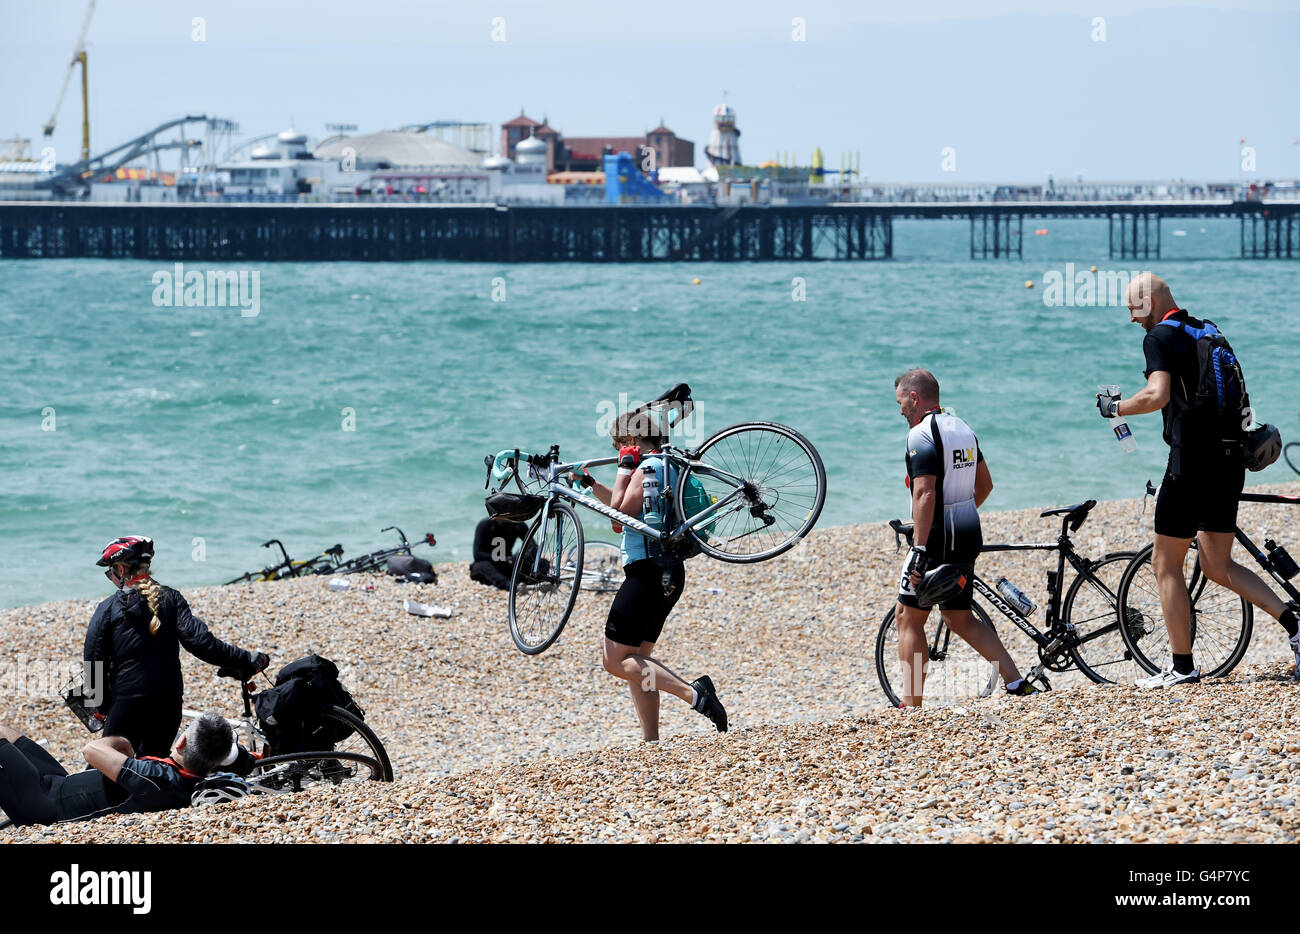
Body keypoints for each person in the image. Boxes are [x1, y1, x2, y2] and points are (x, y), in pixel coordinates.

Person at [1098, 273, 1299, 687]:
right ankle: (1294, 623)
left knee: (1164, 563)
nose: (1132, 319)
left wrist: (1116, 407)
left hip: (1191, 463)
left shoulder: (1160, 337)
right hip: (1230, 460)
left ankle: (1182, 667)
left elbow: (1157, 396)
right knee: (1217, 563)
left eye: (1133, 309)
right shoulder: (1208, 329)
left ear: (1149, 300)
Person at [569, 408, 727, 740]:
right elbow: (628, 506)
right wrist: (591, 484)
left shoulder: (648, 466)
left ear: (630, 441)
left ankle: (695, 694)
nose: (618, 455)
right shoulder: (666, 465)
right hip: (668, 572)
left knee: (615, 661)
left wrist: (624, 468)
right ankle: (651, 740)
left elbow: (621, 517)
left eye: (619, 448)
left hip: (647, 572)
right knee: (638, 661)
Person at [893, 369, 1033, 706]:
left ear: (914, 397)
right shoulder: (963, 428)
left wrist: (920, 547)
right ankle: (1016, 683)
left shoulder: (920, 435)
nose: (899, 411)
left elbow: (924, 493)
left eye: (900, 402)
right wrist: (961, 512)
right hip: (968, 535)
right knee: (959, 616)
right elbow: (984, 486)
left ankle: (911, 706)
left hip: (936, 539)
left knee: (908, 616)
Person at [85, 536, 268, 757]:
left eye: (110, 573)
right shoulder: (171, 598)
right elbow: (201, 643)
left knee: (113, 771)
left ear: (121, 569)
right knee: (155, 768)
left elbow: (93, 665)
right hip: (167, 700)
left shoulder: (107, 608)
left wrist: (101, 708)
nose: (110, 578)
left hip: (127, 702)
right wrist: (246, 658)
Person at [0, 713, 239, 826]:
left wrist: (120, 742)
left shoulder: (158, 779)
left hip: (44, 807)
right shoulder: (187, 779)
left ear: (181, 742)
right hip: (59, 785)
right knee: (15, 738)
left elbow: (91, 751)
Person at [468, 516, 528, 590]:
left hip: (508, 564)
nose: (509, 528)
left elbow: (532, 546)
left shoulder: (519, 525)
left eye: (511, 524)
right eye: (505, 524)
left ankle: (532, 580)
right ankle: (509, 585)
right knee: (482, 566)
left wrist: (520, 558)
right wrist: (502, 559)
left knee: (541, 563)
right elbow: (478, 554)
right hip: (489, 562)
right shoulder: (485, 525)